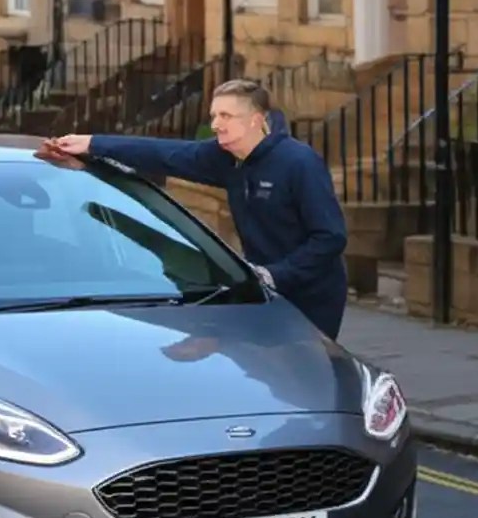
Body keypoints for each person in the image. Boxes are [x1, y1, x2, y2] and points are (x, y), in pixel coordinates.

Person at [40, 79, 349, 341]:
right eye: (215, 115)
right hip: (263, 290)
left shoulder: (299, 162)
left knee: (304, 378)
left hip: (313, 297)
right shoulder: (225, 159)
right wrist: (91, 144)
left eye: (226, 116)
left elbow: (331, 237)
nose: (215, 125)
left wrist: (275, 274)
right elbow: (164, 154)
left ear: (255, 119)